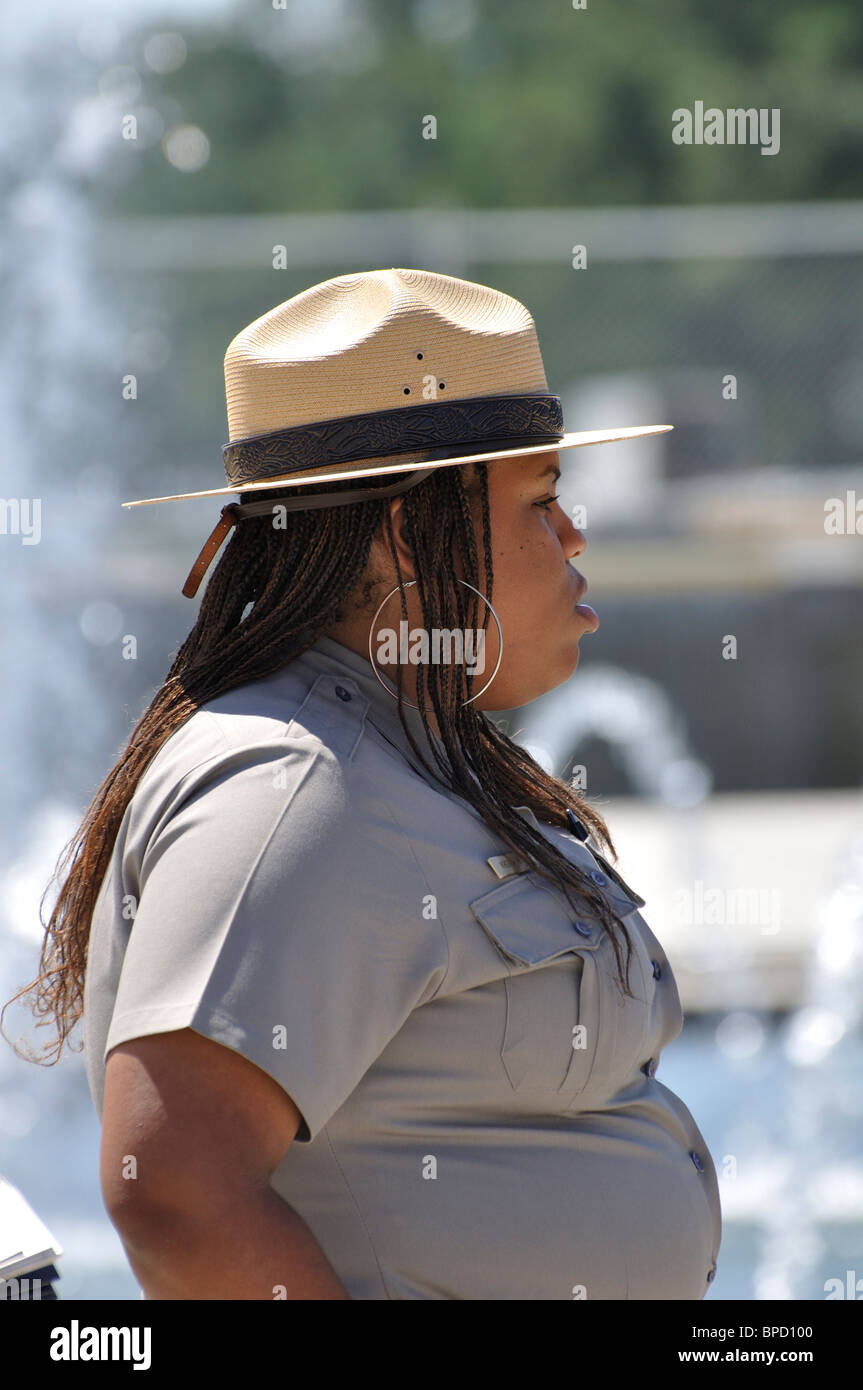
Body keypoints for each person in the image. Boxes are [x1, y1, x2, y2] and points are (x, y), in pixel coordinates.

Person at [2, 267, 721, 1299]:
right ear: (401, 533)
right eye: (542, 497)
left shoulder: (396, 751)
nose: (574, 536)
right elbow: (174, 1191)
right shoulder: (293, 783)